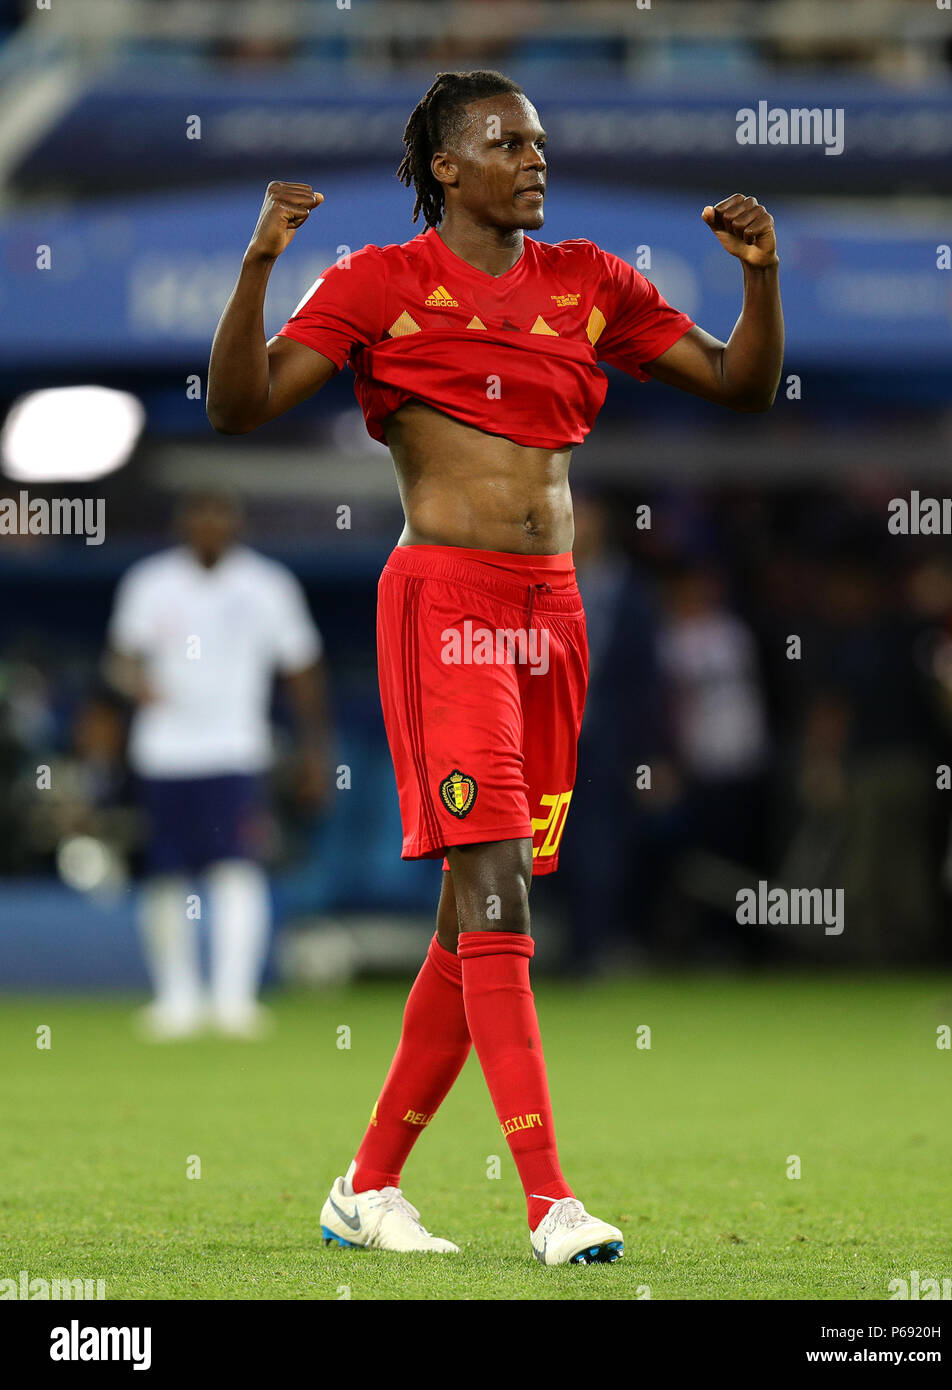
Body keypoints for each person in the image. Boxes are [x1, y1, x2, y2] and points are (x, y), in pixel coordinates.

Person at [206, 69, 783, 1265]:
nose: (532, 158)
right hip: (448, 607)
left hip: (553, 619)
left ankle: (366, 1187)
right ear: (442, 169)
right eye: (505, 141)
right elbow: (238, 405)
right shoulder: (376, 283)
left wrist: (760, 277)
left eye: (538, 142)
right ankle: (549, 1199)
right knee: (500, 891)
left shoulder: (589, 281)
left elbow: (740, 385)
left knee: (470, 922)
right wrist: (259, 264)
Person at [105, 490, 327, 1039]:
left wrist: (317, 751)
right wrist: (136, 682)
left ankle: (233, 1000)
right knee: (165, 874)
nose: (208, 523)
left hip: (235, 749)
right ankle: (176, 999)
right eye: (197, 512)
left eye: (218, 511)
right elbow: (121, 660)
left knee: (237, 868)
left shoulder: (267, 585)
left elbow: (301, 669)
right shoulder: (149, 582)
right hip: (164, 752)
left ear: (235, 519)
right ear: (183, 521)